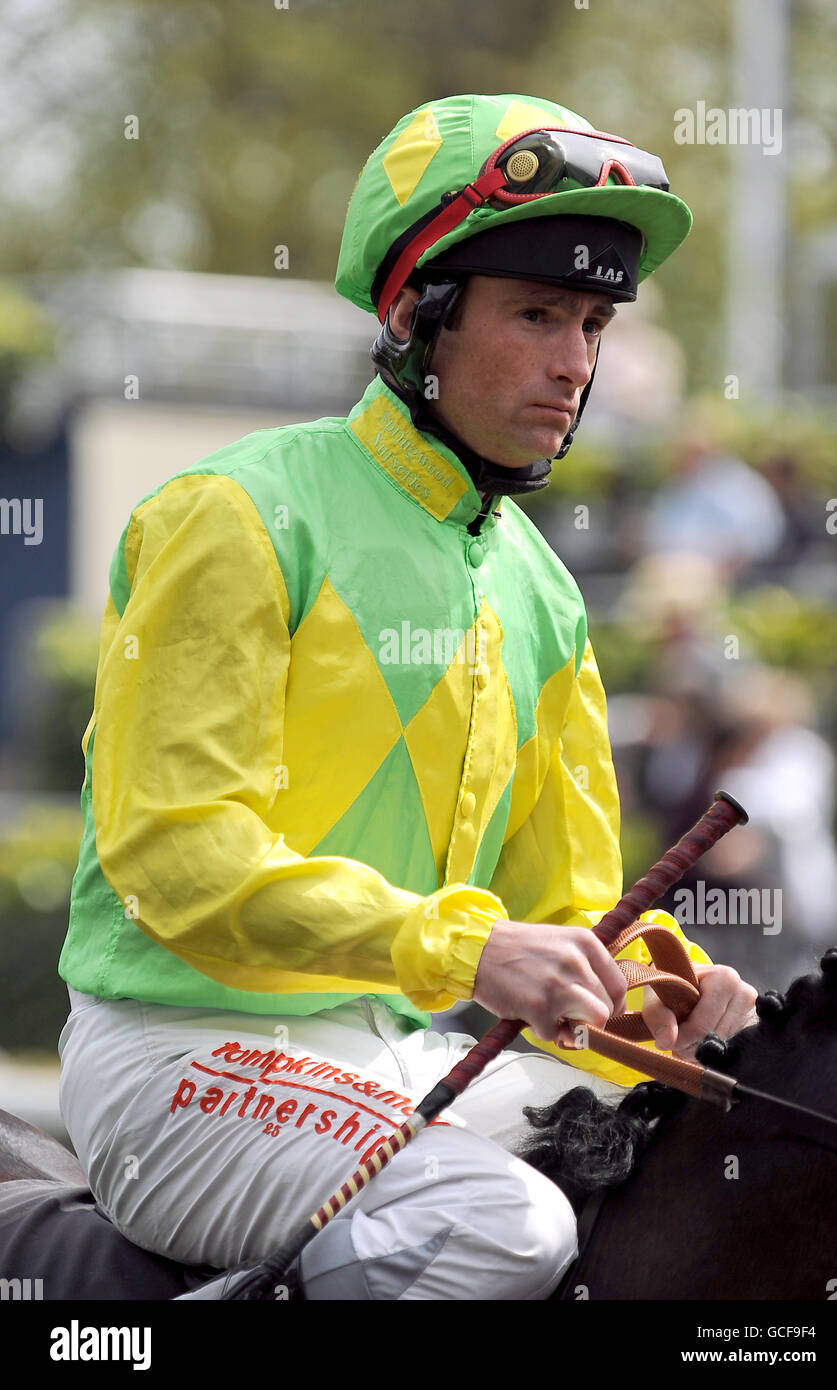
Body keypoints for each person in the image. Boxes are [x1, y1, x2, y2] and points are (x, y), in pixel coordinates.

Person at [55, 92, 757, 1301]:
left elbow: (566, 908)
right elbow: (170, 853)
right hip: (176, 1061)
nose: (571, 362)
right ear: (415, 314)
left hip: (394, 1055)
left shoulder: (544, 593)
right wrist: (463, 946)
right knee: (508, 1229)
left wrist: (658, 993)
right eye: (535, 313)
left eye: (590, 322)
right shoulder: (236, 514)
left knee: (728, 1168)